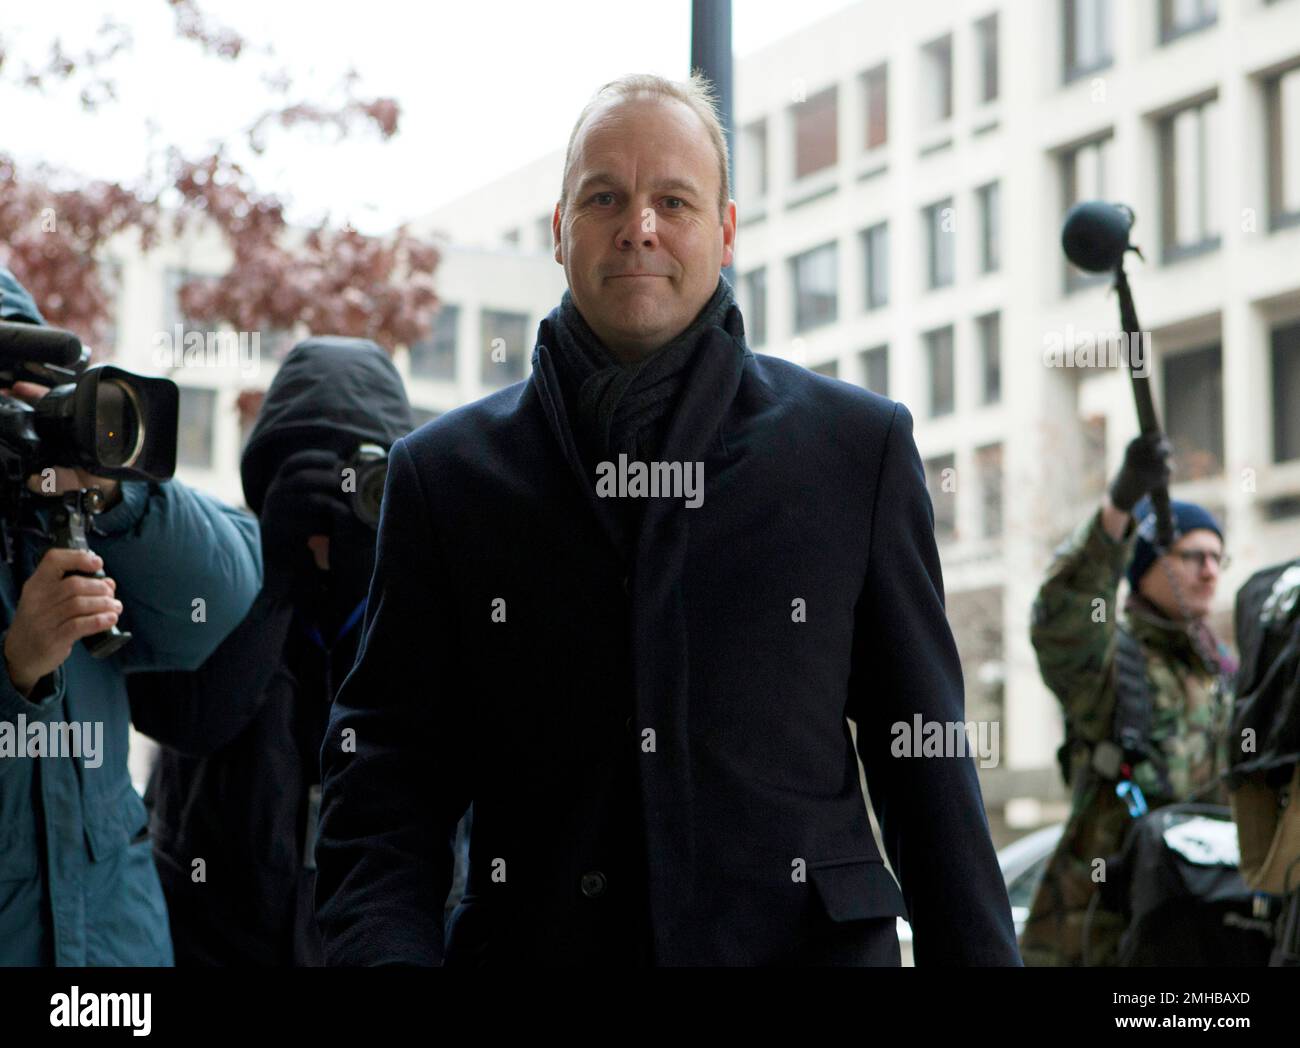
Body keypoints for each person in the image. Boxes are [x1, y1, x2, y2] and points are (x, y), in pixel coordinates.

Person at [315, 73, 1019, 967]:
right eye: (604, 197)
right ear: (560, 230)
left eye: (672, 201)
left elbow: (927, 774)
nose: (637, 225)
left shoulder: (855, 451)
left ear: (724, 233)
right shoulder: (444, 479)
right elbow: (386, 783)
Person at [0, 265, 261, 966]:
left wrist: (113, 490)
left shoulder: (70, 511)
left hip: (114, 954)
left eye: (19, 389)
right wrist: (15, 670)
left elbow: (225, 596)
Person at [128, 336, 415, 966]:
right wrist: (272, 574)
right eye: (310, 464)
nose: (336, 490)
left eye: (361, 473)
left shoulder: (425, 584)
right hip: (212, 933)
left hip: (371, 936)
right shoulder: (214, 568)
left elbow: (418, 748)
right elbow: (191, 720)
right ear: (267, 475)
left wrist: (370, 597)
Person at [1020, 431, 1236, 967]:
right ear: (1147, 566)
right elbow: (1062, 616)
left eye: (1217, 558)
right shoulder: (1113, 659)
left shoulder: (1227, 672)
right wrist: (1118, 508)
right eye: (1191, 555)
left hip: (1203, 923)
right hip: (1104, 928)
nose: (1209, 571)